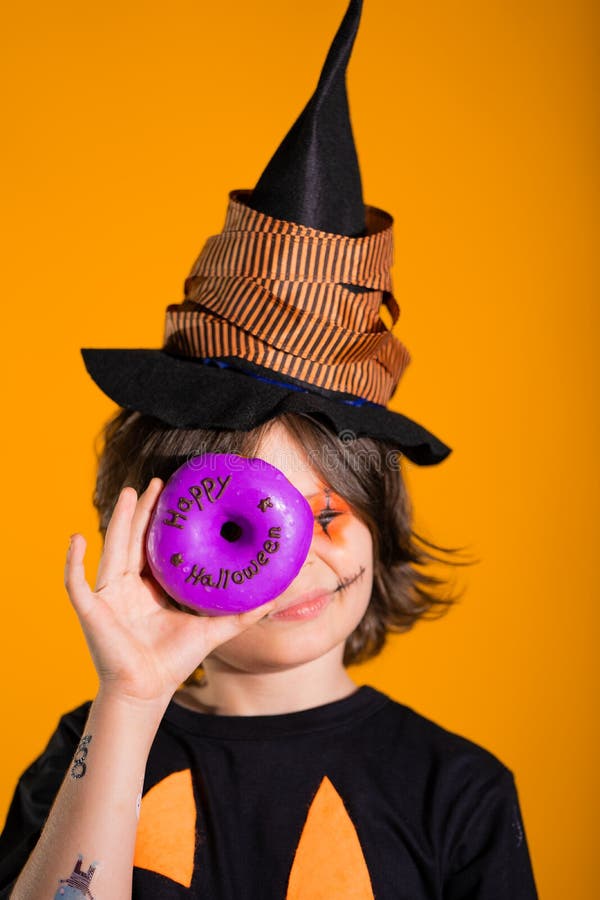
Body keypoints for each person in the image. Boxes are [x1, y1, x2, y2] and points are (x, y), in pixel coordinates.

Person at [0, 1, 539, 897]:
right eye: (245, 522)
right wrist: (129, 702)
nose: (300, 559)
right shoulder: (88, 758)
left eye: (328, 515)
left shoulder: (457, 793)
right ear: (155, 533)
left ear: (380, 525)